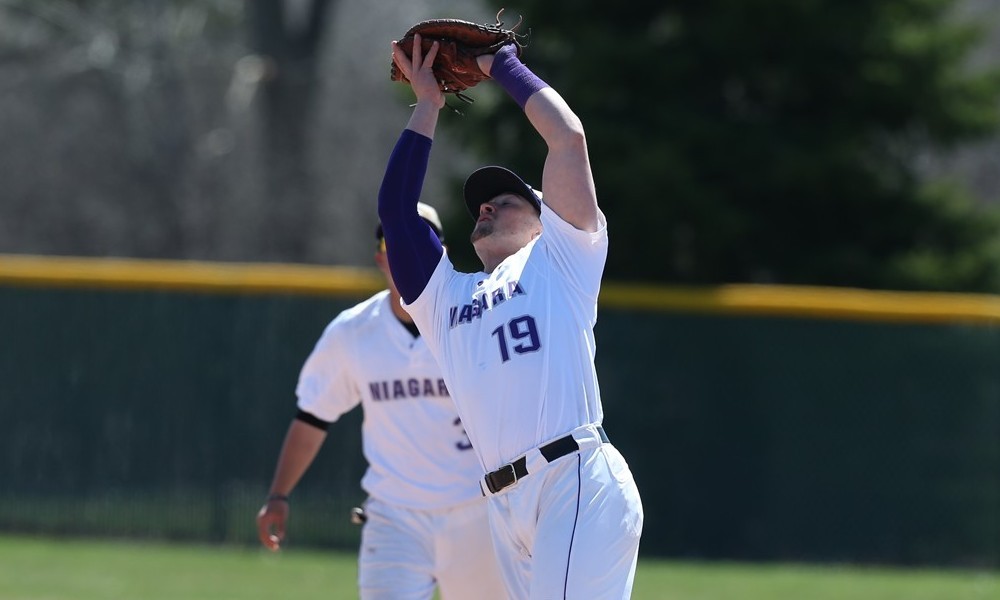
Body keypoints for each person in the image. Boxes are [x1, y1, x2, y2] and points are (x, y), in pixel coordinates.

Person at [378, 33, 643, 599]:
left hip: (573, 479)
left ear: (546, 219)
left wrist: (501, 66)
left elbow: (568, 138)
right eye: (482, 202)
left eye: (507, 199)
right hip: (502, 505)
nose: (487, 205)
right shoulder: (444, 299)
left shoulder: (562, 258)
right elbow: (397, 215)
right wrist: (427, 104)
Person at [255, 203, 506, 600]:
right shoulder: (354, 332)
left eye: (419, 237)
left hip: (478, 510)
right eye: (393, 241)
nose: (405, 248)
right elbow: (312, 417)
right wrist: (278, 494)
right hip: (395, 517)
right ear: (379, 258)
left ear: (440, 252)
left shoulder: (477, 317)